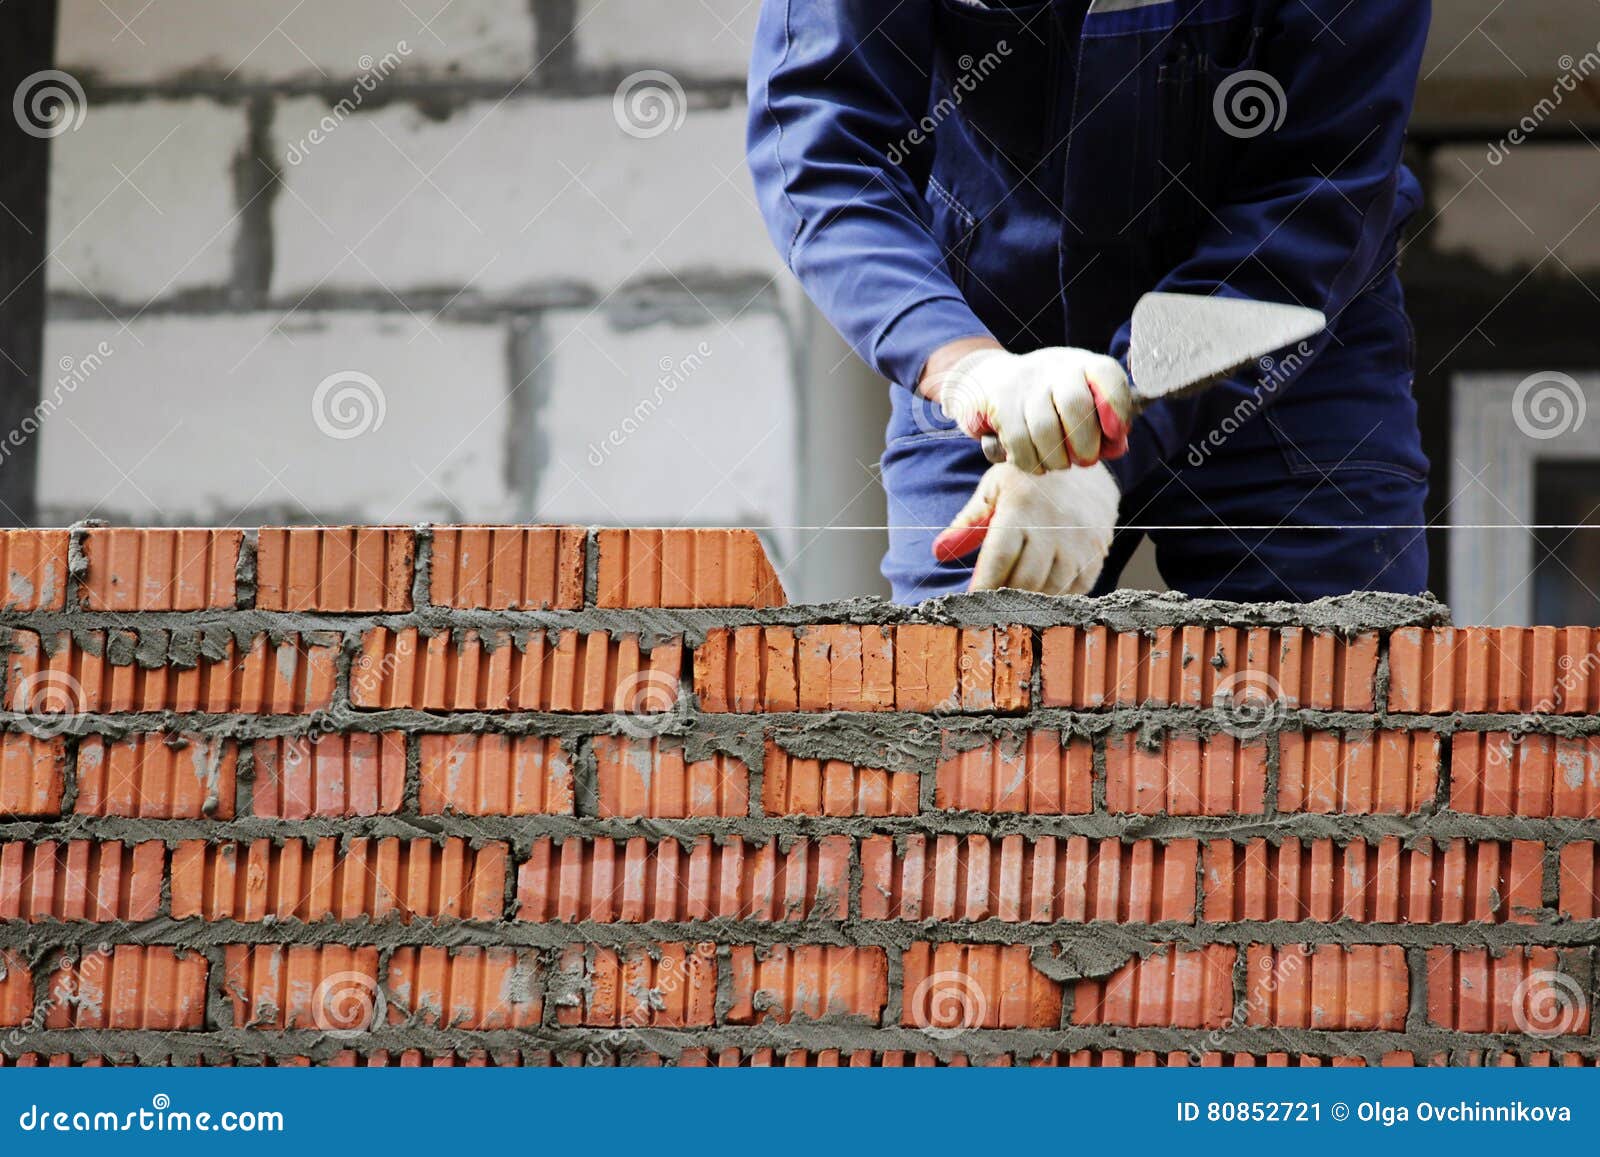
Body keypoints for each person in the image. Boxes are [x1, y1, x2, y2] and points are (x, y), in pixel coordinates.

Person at [747, 0, 1432, 603]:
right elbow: (826, 143)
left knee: (1323, 711)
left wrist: (1105, 424)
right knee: (971, 704)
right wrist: (963, 366)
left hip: (1278, 361)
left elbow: (1318, 197)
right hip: (996, 351)